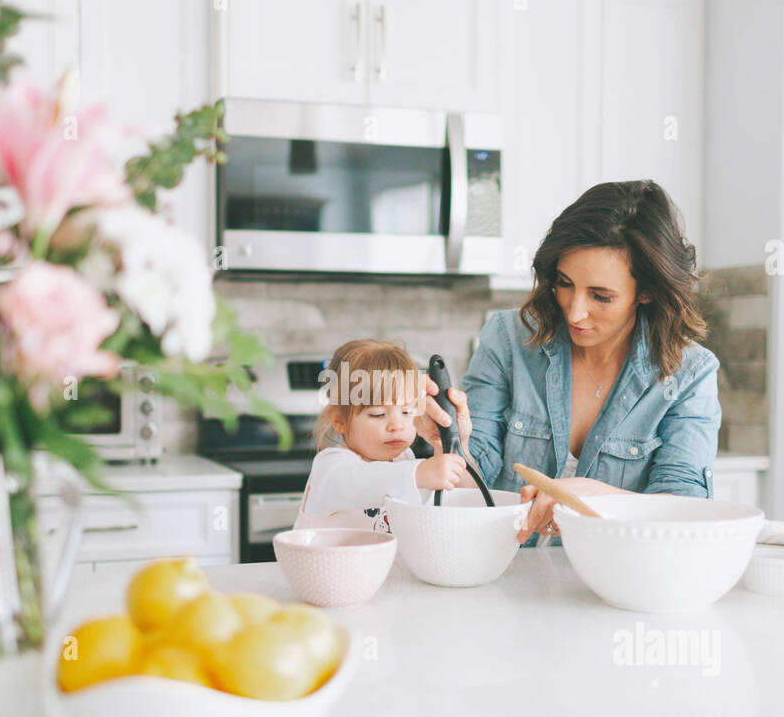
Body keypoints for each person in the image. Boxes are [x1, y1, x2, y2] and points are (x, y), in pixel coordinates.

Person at [419, 180, 721, 546]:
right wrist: (451, 448)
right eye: (564, 283)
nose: (575, 311)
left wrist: (596, 495)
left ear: (646, 292)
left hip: (614, 582)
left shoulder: (689, 374)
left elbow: (684, 511)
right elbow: (471, 486)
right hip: (507, 574)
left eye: (601, 296)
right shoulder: (507, 338)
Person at [292, 339, 475, 533]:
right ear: (339, 420)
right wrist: (420, 473)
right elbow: (360, 482)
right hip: (328, 563)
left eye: (407, 412)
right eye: (378, 414)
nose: (397, 426)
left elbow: (454, 508)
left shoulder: (405, 460)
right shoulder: (330, 468)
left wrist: (443, 449)